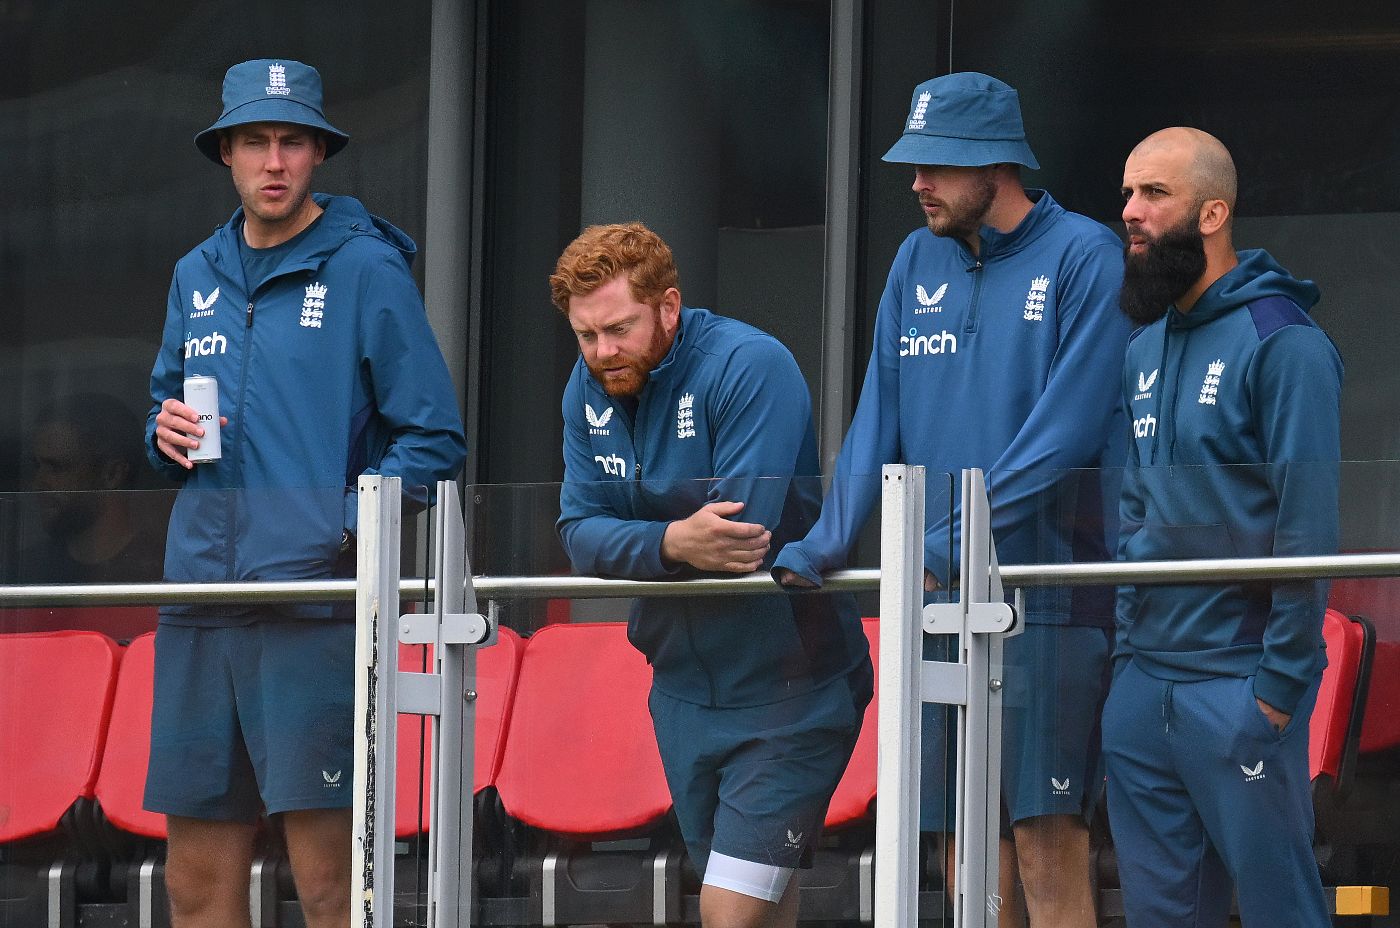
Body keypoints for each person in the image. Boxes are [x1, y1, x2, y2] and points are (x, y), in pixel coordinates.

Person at [773, 72, 1131, 926]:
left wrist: (945, 546)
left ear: (997, 165)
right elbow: (877, 417)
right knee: (964, 854)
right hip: (933, 597)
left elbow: (1065, 436)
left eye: (936, 163)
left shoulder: (1086, 256)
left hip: (1048, 601)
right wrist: (825, 541)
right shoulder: (914, 257)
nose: (917, 181)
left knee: (1046, 843)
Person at [143, 59, 466, 928]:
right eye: (256, 141)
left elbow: (435, 438)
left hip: (313, 606)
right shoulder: (194, 274)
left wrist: (338, 527)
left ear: (319, 153)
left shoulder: (366, 270)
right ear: (227, 155)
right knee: (194, 883)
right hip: (202, 601)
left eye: (292, 141)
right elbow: (165, 406)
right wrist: (162, 433)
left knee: (331, 885)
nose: (274, 161)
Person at [553, 222, 872, 928]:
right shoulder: (588, 385)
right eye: (585, 335)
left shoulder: (748, 363)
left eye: (619, 329)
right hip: (681, 691)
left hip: (792, 689)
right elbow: (577, 534)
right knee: (764, 908)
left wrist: (640, 542)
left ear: (668, 305)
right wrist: (671, 539)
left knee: (728, 913)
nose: (603, 352)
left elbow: (739, 536)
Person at [1104, 127, 1342, 927]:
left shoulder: (1285, 342)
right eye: (1128, 194)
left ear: (1213, 213)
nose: (1130, 212)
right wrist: (1129, 665)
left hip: (1241, 684)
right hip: (1144, 690)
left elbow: (1309, 531)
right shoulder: (1141, 349)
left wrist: (1276, 692)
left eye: (1153, 195)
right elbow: (1134, 512)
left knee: (1282, 912)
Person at [17, 392, 164, 585]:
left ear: (113, 474)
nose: (38, 483)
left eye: (56, 468)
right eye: (37, 466)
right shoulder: (23, 572)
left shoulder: (162, 573)